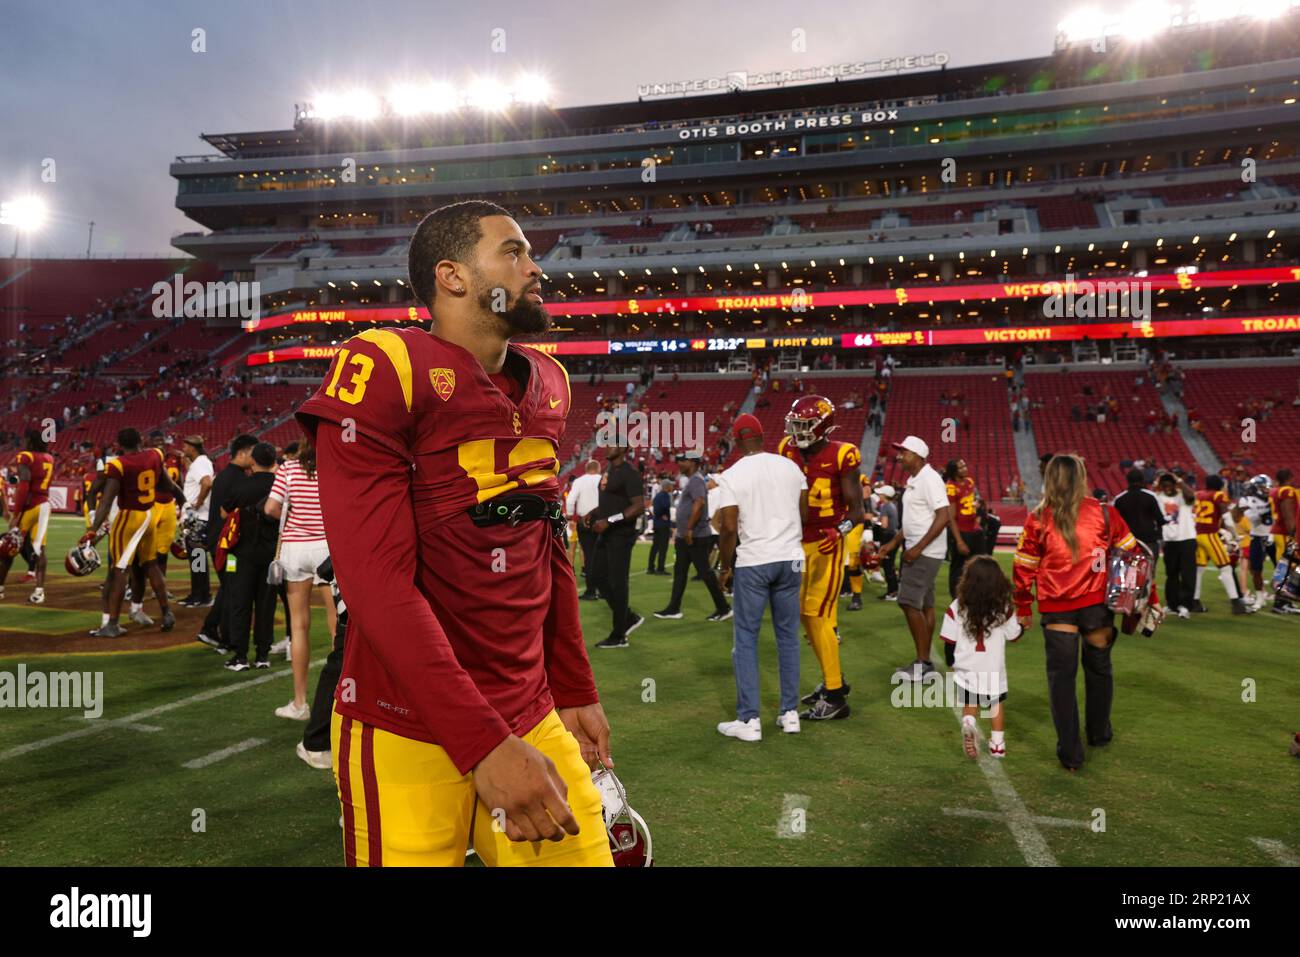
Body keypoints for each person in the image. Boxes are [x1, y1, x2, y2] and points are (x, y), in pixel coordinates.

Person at [297, 199, 614, 866]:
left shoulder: (549, 382)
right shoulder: (386, 365)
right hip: (402, 717)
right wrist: (483, 743)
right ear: (454, 276)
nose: (537, 267)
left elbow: (546, 541)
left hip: (529, 707)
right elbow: (374, 580)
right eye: (515, 251)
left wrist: (575, 686)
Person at [1013, 453, 1149, 771]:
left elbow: (1023, 569)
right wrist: (1147, 600)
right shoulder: (1105, 513)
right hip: (1097, 607)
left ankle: (1071, 755)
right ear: (1082, 478)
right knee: (1099, 670)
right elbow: (1136, 559)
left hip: (1057, 607)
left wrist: (1022, 607)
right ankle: (1099, 734)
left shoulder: (1037, 518)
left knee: (1062, 679)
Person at [714, 414, 808, 741]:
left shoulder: (732, 474)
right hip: (791, 558)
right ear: (762, 436)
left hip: (754, 560)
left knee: (746, 639)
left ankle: (750, 720)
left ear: (738, 442)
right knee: (788, 637)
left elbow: (727, 527)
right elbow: (804, 513)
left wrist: (726, 567)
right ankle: (790, 713)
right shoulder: (791, 467)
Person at [778, 395, 864, 720]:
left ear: (822, 426)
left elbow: (857, 512)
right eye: (795, 424)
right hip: (797, 543)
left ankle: (835, 695)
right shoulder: (787, 449)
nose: (798, 431)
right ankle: (833, 681)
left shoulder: (843, 453)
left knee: (817, 613)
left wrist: (838, 531)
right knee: (805, 614)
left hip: (827, 543)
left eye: (804, 425)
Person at [81, 428, 184, 637]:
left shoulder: (118, 464)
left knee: (119, 570)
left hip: (129, 518)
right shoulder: (155, 454)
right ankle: (166, 612)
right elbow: (168, 484)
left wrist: (92, 530)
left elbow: (107, 500)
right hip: (149, 514)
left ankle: (112, 624)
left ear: (119, 445)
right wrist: (184, 501)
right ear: (141, 440)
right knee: (151, 565)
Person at [266, 433, 337, 712]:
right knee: (336, 627)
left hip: (295, 549)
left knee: (298, 627)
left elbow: (272, 507)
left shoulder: (288, 468)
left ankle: (299, 702)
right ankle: (337, 701)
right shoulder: (335, 466)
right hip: (327, 548)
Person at [879, 436, 950, 683]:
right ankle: (925, 661)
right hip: (921, 548)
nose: (899, 456)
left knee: (907, 602)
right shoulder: (915, 480)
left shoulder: (929, 479)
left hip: (924, 552)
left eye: (904, 453)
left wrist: (917, 548)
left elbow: (943, 516)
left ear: (918, 456)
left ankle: (922, 664)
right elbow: (913, 521)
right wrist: (893, 543)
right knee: (925, 605)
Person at [940, 556, 1022, 759]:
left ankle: (969, 722)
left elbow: (949, 641)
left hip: (967, 665)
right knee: (995, 703)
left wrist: (951, 662)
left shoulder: (957, 606)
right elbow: (1014, 636)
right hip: (992, 666)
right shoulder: (1004, 607)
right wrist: (1023, 627)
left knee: (970, 698)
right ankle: (997, 744)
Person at [221, 442, 280, 671]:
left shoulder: (241, 485)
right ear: (274, 462)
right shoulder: (279, 486)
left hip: (242, 553)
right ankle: (263, 654)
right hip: (271, 554)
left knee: (241, 604)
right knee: (266, 605)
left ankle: (241, 655)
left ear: (253, 461)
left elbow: (224, 511)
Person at [195, 435, 257, 652]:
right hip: (226, 545)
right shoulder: (239, 480)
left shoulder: (224, 476)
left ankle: (218, 632)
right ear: (241, 454)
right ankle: (214, 630)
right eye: (252, 453)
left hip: (216, 541)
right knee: (232, 588)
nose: (255, 457)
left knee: (229, 587)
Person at [654, 450, 730, 622]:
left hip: (694, 535)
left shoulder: (696, 480)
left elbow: (699, 502)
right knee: (680, 572)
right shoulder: (693, 480)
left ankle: (723, 607)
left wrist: (688, 529)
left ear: (693, 463)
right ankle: (674, 608)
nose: (679, 463)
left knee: (705, 573)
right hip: (686, 536)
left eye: (683, 461)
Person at [586, 444, 646, 647]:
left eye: (612, 443)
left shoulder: (630, 473)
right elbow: (610, 502)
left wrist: (610, 521)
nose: (607, 446)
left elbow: (639, 506)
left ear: (623, 448)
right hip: (607, 533)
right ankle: (627, 617)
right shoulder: (609, 470)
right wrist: (594, 512)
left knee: (618, 583)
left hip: (621, 534)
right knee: (595, 576)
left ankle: (619, 635)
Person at [1, 431, 53, 604]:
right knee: (40, 549)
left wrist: (16, 513)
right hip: (44, 505)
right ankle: (39, 592)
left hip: (30, 506)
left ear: (30, 441)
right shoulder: (48, 457)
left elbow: (24, 486)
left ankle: (0, 588)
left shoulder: (26, 457)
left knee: (10, 546)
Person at [1193, 474, 1249, 615]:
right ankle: (1236, 603)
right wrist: (1235, 535)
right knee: (1226, 567)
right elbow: (1226, 517)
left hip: (1196, 534)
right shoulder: (1218, 495)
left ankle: (1194, 601)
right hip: (1210, 535)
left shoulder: (1198, 494)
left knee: (1199, 570)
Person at [177, 434, 215, 607]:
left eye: (186, 447)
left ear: (193, 447)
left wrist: (197, 504)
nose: (184, 449)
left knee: (197, 557)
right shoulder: (199, 463)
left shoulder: (200, 463)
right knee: (196, 558)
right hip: (197, 518)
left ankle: (202, 595)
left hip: (198, 518)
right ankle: (198, 593)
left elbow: (207, 483)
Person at [1154, 471, 1197, 619]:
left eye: (1169, 484)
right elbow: (1151, 496)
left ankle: (1185, 605)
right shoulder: (1158, 498)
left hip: (1187, 539)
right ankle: (1172, 604)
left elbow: (1191, 496)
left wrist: (1179, 480)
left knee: (1188, 574)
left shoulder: (1182, 496)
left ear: (1174, 485)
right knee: (1171, 574)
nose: (1166, 487)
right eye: (1163, 485)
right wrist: (1157, 483)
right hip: (1170, 541)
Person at [942, 458, 980, 625]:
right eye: (961, 466)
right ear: (954, 471)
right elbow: (951, 517)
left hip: (974, 531)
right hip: (961, 533)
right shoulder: (950, 487)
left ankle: (976, 598)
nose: (965, 468)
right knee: (958, 569)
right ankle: (957, 602)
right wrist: (959, 541)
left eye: (965, 464)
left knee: (978, 566)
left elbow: (973, 501)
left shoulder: (970, 481)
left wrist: (977, 521)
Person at [1112, 469, 1163, 578]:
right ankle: (1146, 594)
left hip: (1128, 543)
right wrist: (1157, 535)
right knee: (1148, 575)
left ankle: (1130, 595)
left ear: (1127, 481)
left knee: (1129, 574)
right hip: (1149, 542)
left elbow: (1115, 523)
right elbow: (1160, 519)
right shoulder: (1151, 496)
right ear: (1142, 480)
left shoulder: (1119, 499)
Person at [567, 459, 602, 599]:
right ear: (598, 468)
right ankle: (604, 589)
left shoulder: (579, 481)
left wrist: (570, 515)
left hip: (584, 522)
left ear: (586, 468)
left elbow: (570, 500)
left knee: (588, 555)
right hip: (602, 520)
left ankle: (591, 591)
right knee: (602, 555)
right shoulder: (603, 479)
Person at [1269, 468, 1298, 616]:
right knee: (1287, 569)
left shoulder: (1275, 490)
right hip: (1285, 533)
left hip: (1279, 532)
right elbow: (1288, 514)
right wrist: (1293, 533)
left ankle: (1283, 602)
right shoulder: (1287, 491)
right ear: (1289, 477)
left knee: (1287, 568)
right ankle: (1281, 603)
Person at [873, 485, 900, 600]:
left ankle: (892, 592)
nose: (879, 495)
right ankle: (893, 590)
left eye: (881, 493)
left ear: (885, 495)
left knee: (887, 565)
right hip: (894, 536)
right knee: (890, 564)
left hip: (888, 537)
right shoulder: (892, 505)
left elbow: (884, 525)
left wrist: (875, 522)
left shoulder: (885, 506)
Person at [647, 478, 673, 575]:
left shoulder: (658, 496)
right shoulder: (665, 495)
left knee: (655, 547)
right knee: (663, 547)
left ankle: (650, 567)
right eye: (671, 485)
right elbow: (665, 506)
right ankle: (660, 568)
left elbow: (656, 509)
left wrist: (659, 515)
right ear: (667, 486)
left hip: (657, 524)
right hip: (663, 525)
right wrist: (664, 514)